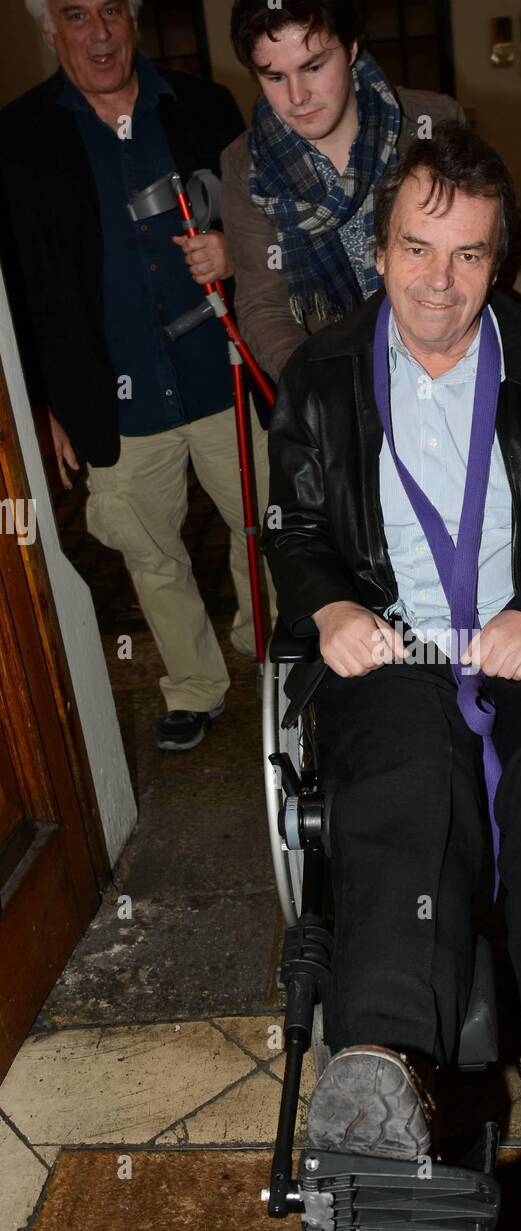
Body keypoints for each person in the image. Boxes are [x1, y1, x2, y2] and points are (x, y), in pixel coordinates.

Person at [262, 120, 521, 1161]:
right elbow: (292, 529)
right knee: (403, 764)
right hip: (390, 641)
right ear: (380, 250)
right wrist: (333, 610)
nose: (440, 280)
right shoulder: (322, 375)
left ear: (499, 258)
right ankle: (382, 1059)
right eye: (418, 250)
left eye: (469, 252)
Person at [0, 0, 273, 751]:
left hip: (220, 372)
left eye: (112, 10)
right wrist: (42, 405)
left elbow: (267, 214)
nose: (99, 32)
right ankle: (193, 687)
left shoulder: (204, 105)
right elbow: (18, 286)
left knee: (265, 528)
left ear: (135, 17)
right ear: (50, 29)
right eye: (76, 14)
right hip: (108, 391)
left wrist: (230, 250)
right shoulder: (17, 137)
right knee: (149, 551)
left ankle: (271, 654)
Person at [220, 0, 521, 385]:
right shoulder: (245, 167)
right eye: (274, 77)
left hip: (460, 367)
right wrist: (325, 390)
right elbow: (263, 307)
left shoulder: (432, 121)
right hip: (339, 375)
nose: (297, 97)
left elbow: (510, 242)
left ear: (350, 48)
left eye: (313, 67)